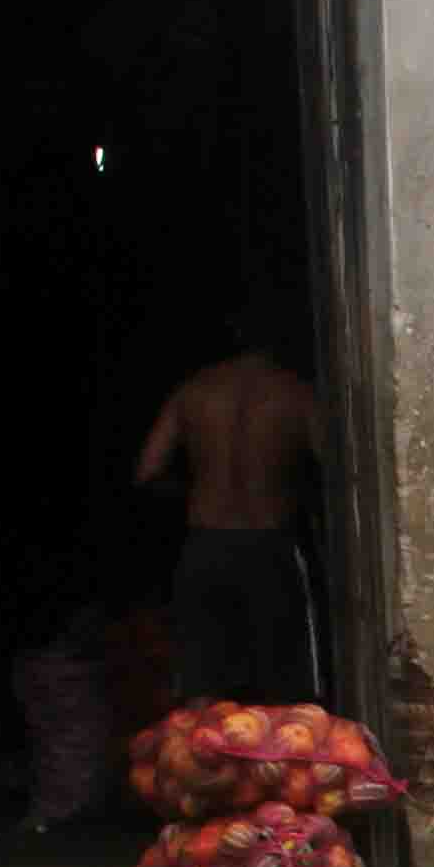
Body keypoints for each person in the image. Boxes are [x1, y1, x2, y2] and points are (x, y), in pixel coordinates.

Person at [136, 297, 323, 706]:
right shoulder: (296, 394)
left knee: (201, 687)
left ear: (235, 332)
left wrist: (195, 491)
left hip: (204, 544)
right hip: (270, 546)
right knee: (283, 696)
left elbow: (147, 472)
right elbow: (339, 472)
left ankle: (199, 770)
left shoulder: (194, 391)